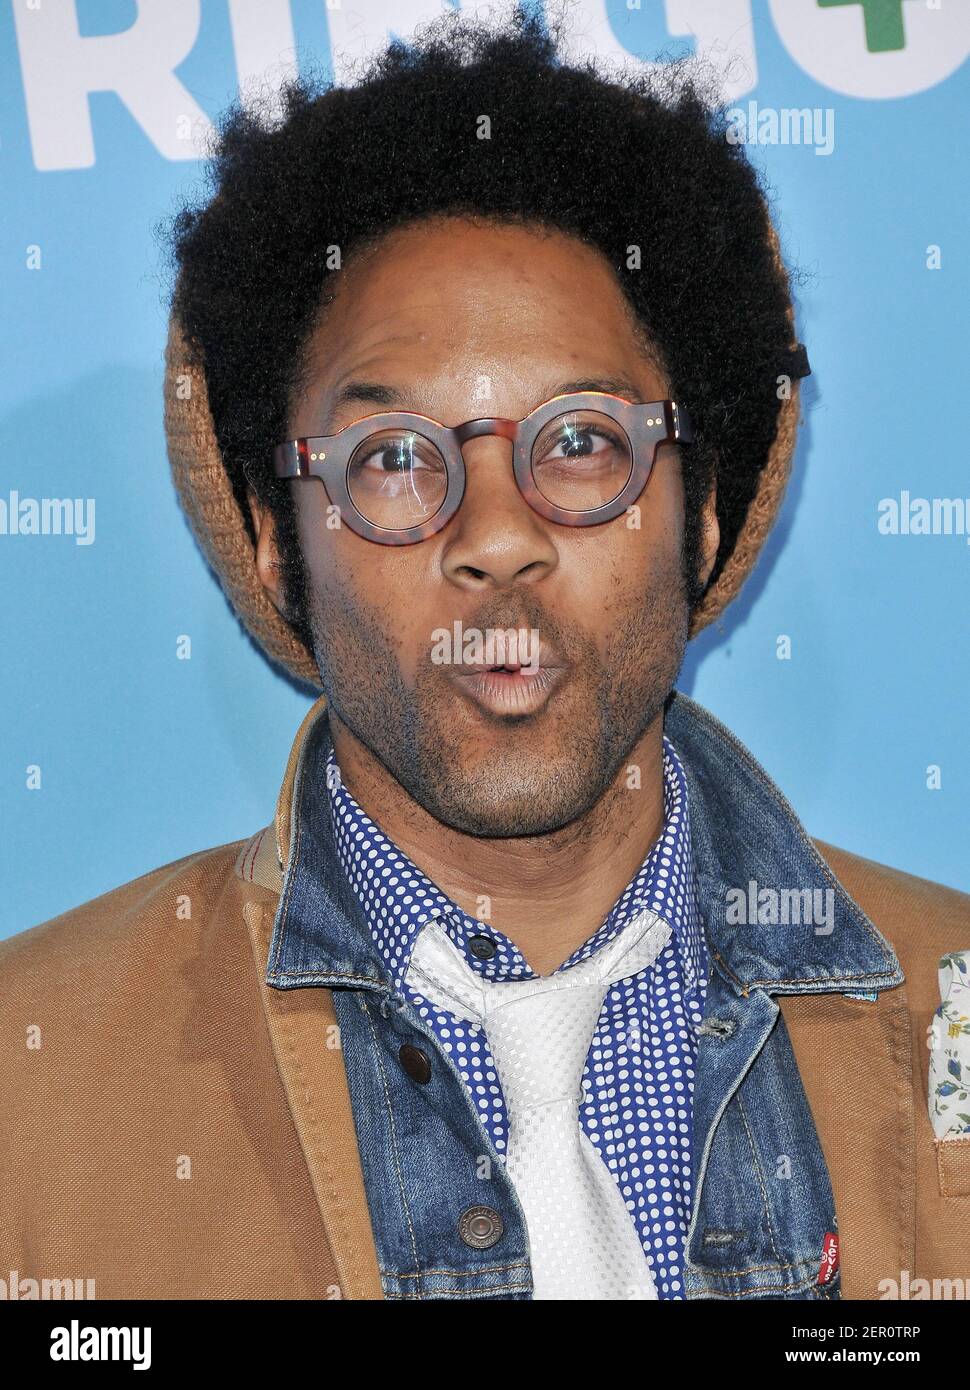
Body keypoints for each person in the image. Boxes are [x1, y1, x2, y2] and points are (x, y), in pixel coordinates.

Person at [2, 7, 968, 1302]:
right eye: (395, 458)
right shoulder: (30, 1087)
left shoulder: (951, 1007)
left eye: (579, 442)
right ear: (275, 544)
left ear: (708, 514)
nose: (498, 536)